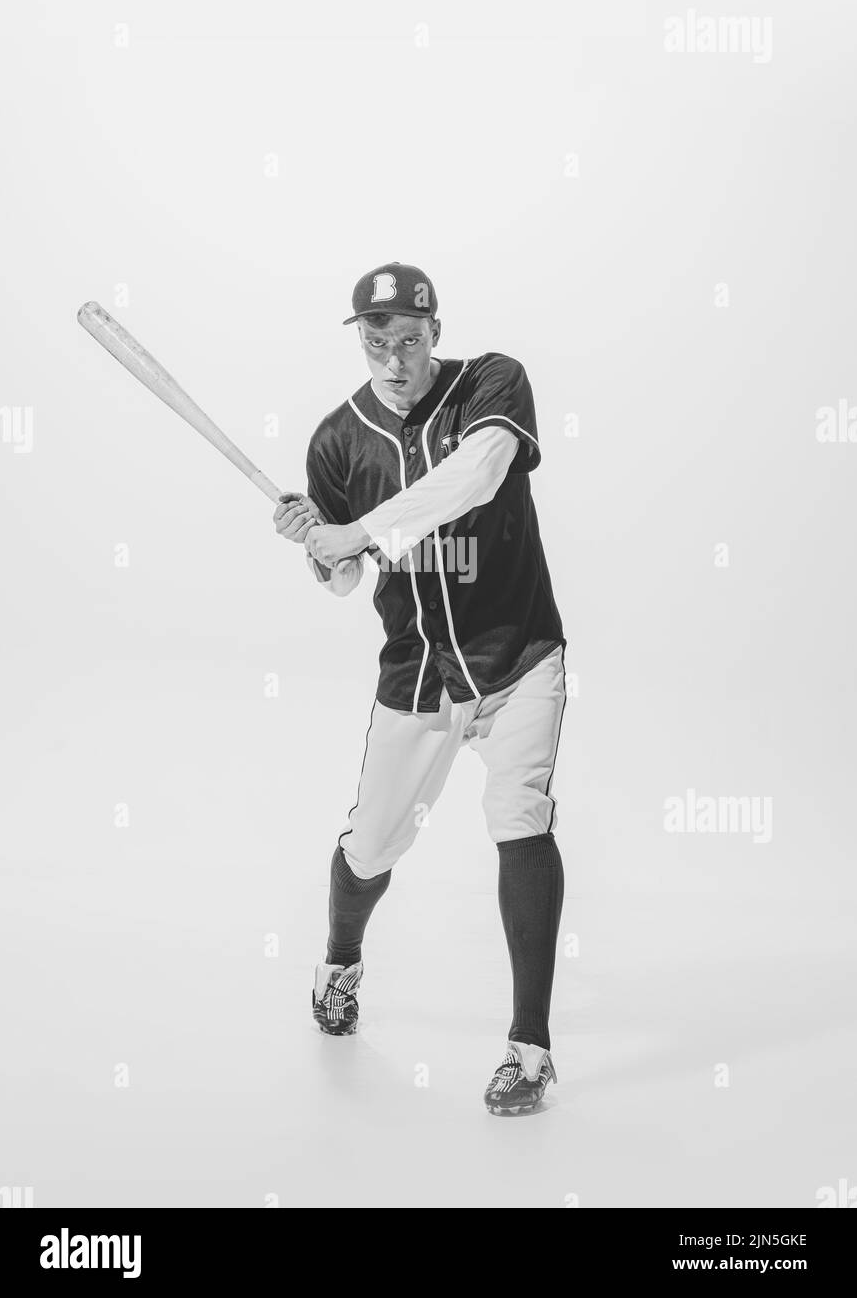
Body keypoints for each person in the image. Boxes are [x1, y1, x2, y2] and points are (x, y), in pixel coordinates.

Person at [273, 261, 567, 1114]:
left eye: (410, 339)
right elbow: (342, 582)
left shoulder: (490, 382)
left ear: (435, 333)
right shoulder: (336, 440)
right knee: (370, 847)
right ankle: (338, 965)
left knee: (521, 818)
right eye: (377, 341)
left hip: (517, 655)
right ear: (357, 338)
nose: (395, 358)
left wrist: (356, 530)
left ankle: (530, 1048)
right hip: (418, 673)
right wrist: (316, 546)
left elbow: (478, 473)